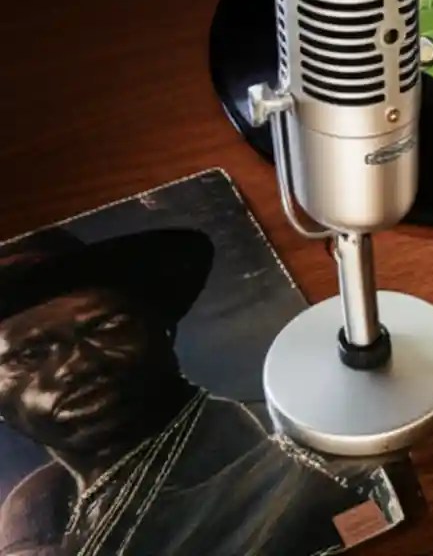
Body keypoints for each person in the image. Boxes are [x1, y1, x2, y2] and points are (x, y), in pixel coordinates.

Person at [0, 227, 372, 556]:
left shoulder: (291, 465)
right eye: (30, 354)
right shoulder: (34, 510)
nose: (78, 363)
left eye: (107, 328)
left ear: (162, 331)